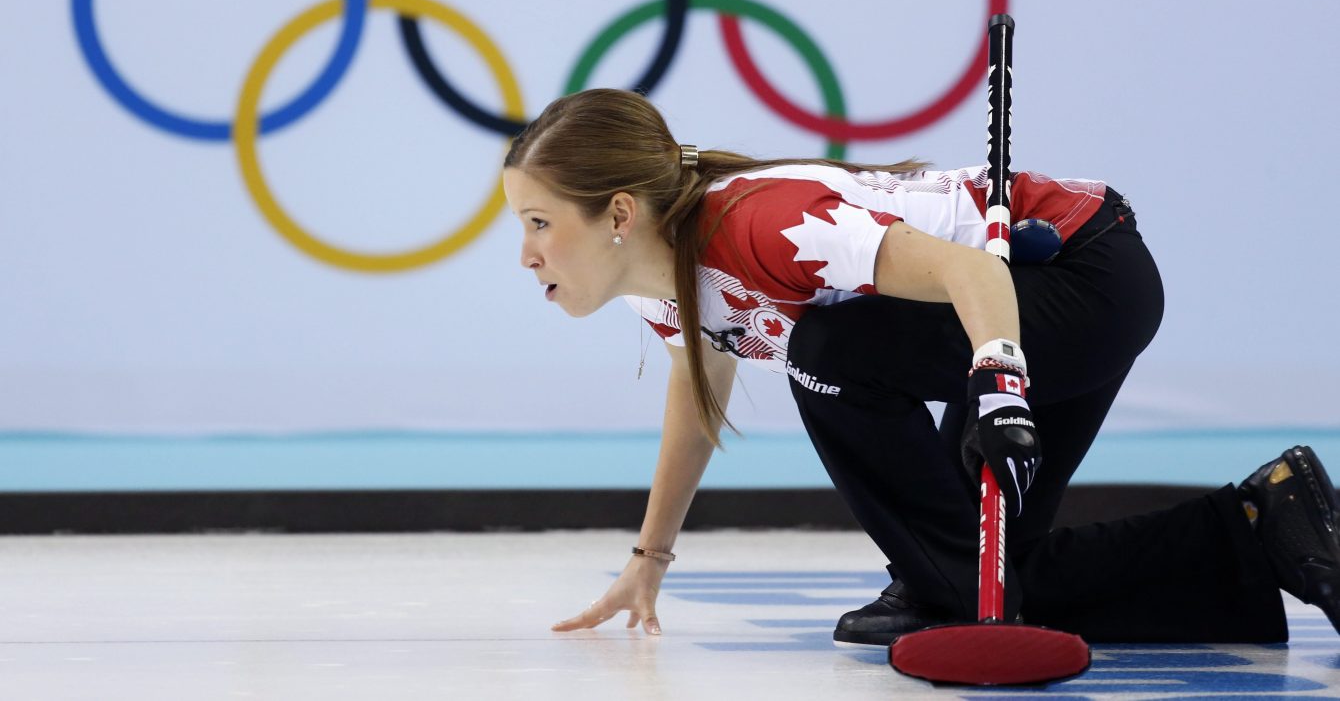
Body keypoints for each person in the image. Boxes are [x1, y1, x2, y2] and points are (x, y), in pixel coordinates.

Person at [501, 88, 1340, 644]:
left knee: (823, 353)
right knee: (991, 586)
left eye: (538, 223)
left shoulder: (764, 226)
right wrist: (648, 564)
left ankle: (938, 578)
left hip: (1077, 277)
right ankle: (1265, 524)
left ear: (617, 213)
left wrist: (999, 392)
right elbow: (697, 402)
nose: (527, 255)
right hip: (1004, 314)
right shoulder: (669, 284)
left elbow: (970, 271)